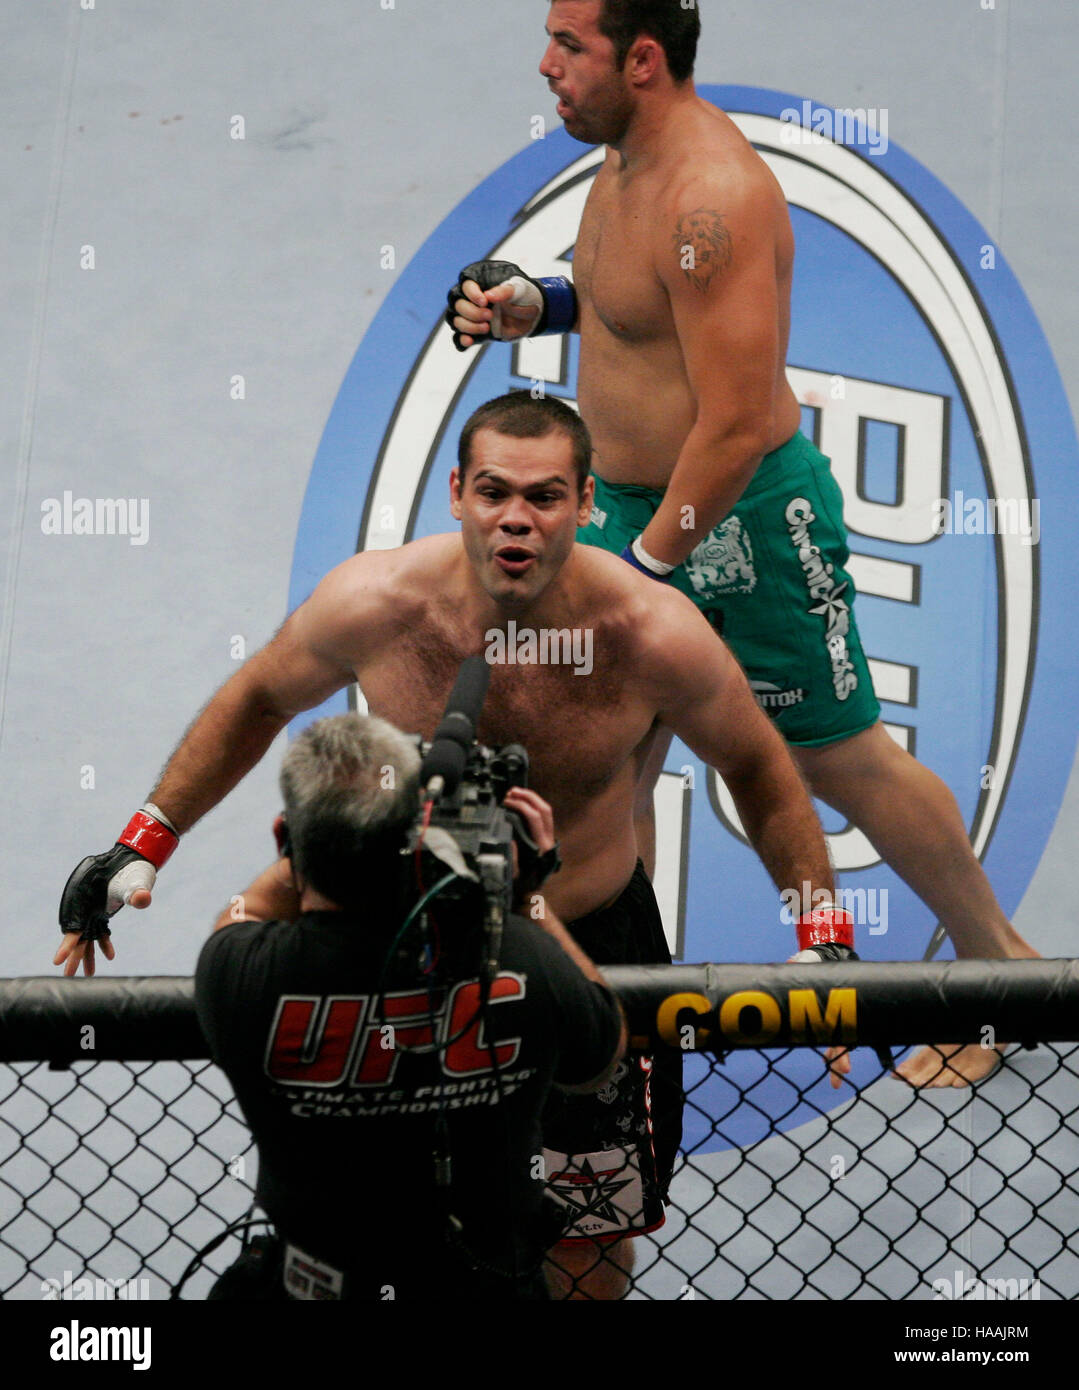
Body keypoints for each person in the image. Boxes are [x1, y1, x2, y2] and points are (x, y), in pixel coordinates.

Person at [58, 391, 849, 1300]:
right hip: (403, 941)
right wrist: (142, 841)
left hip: (587, 942)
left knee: (589, 1235)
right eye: (494, 491)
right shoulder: (377, 603)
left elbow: (758, 766)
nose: (516, 518)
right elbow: (259, 697)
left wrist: (819, 928)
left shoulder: (651, 633)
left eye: (545, 496)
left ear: (587, 502)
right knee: (391, 1205)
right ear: (456, 494)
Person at [444, 0, 1039, 1090]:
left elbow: (726, 425)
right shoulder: (622, 157)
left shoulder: (710, 198)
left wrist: (646, 579)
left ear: (641, 58)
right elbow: (632, 310)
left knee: (835, 756)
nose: (544, 66)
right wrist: (538, 305)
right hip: (625, 510)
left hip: (742, 527)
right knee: (603, 756)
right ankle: (598, 1012)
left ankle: (998, 971)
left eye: (567, 47)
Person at [194, 710, 627, 1301]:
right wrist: (524, 899)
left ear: (283, 840)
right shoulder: (523, 960)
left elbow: (242, 915)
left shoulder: (240, 974)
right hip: (487, 1286)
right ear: (414, 835)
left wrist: (314, 842)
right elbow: (600, 1057)